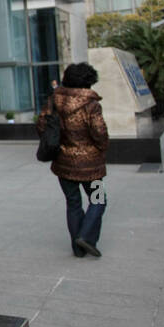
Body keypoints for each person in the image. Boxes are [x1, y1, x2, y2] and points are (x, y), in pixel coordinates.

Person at [37, 62, 109, 257]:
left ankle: (78, 250)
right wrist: (102, 149)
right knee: (99, 200)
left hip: (63, 163)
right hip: (90, 166)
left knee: (73, 203)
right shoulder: (92, 105)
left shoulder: (53, 101)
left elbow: (42, 125)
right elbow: (99, 133)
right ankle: (85, 237)